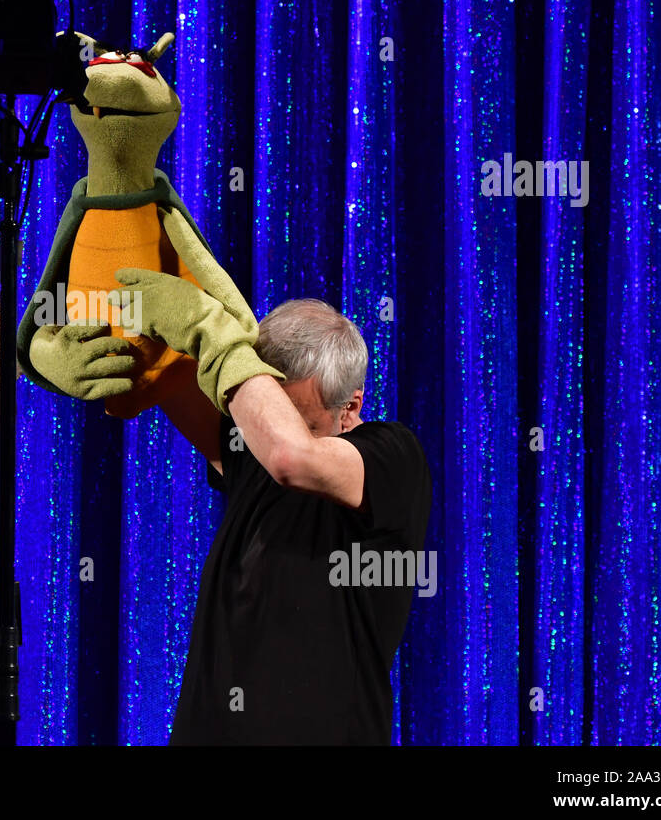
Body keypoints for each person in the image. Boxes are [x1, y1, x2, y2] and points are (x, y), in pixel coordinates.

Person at [95, 275, 433, 743]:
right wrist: (113, 332)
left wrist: (210, 330)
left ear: (350, 407)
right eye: (267, 407)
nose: (267, 425)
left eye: (296, 415)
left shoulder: (393, 456)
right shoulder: (252, 454)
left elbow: (292, 457)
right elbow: (162, 379)